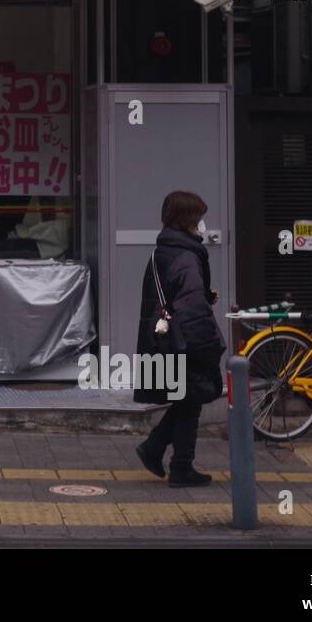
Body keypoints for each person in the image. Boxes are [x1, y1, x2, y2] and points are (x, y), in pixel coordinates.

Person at [133, 190, 227, 487]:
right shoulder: (185, 254)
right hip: (184, 338)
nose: (203, 224)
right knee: (191, 398)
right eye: (200, 217)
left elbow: (178, 295)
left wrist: (202, 295)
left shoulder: (166, 248)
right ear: (189, 220)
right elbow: (189, 304)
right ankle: (177, 465)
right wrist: (209, 343)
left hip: (169, 337)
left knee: (188, 399)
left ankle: (163, 454)